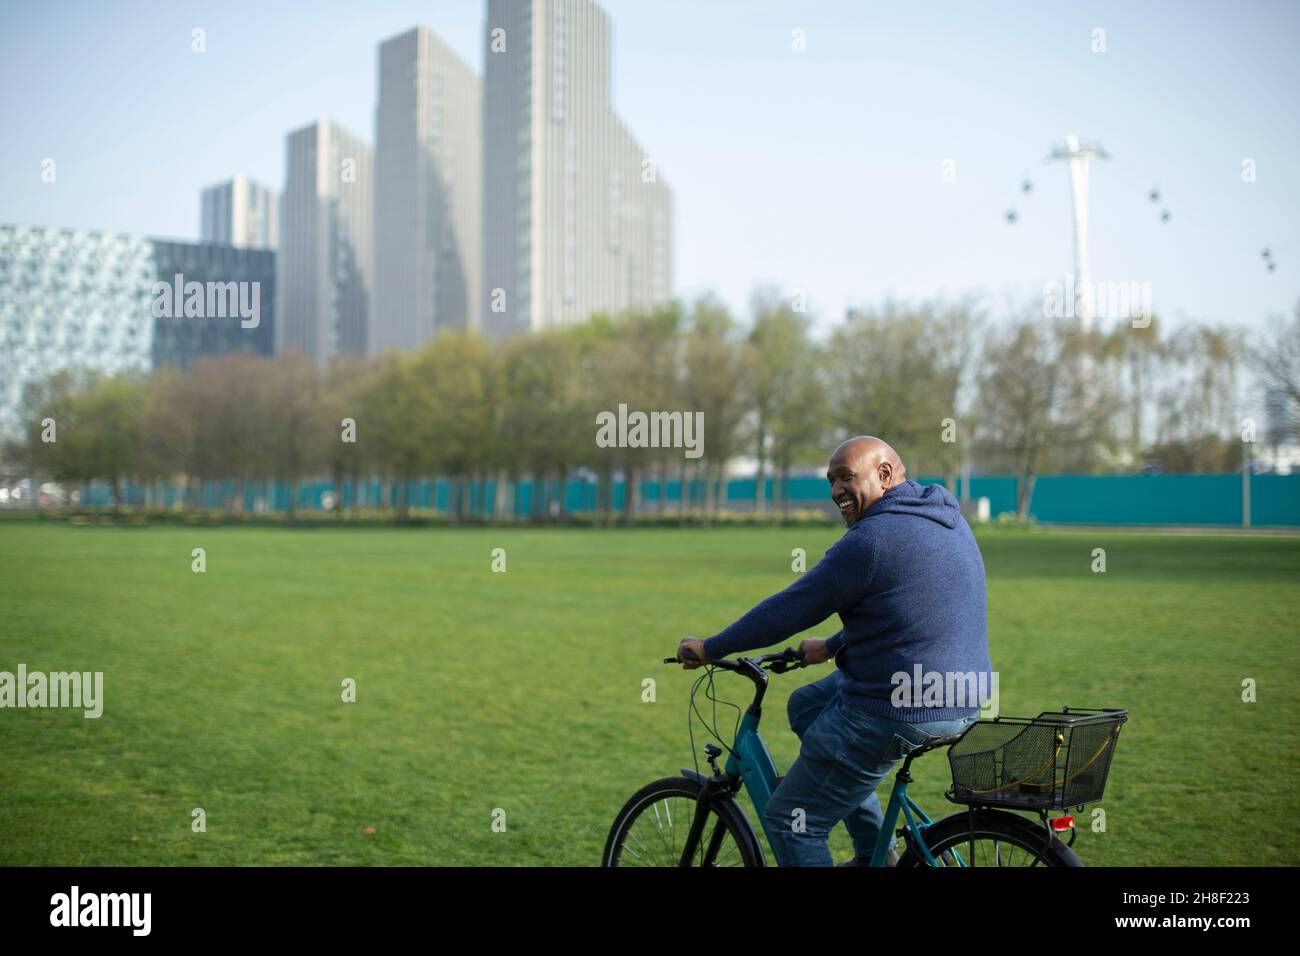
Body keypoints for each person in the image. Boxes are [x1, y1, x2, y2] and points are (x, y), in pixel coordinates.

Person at [676, 436, 992, 866]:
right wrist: (831, 645)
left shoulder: (869, 541)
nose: (835, 491)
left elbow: (790, 609)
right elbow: (910, 605)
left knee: (790, 819)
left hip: (899, 708)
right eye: (831, 481)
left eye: (847, 477)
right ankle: (873, 854)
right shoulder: (943, 516)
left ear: (884, 475)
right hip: (963, 696)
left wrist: (712, 647)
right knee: (806, 705)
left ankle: (861, 837)